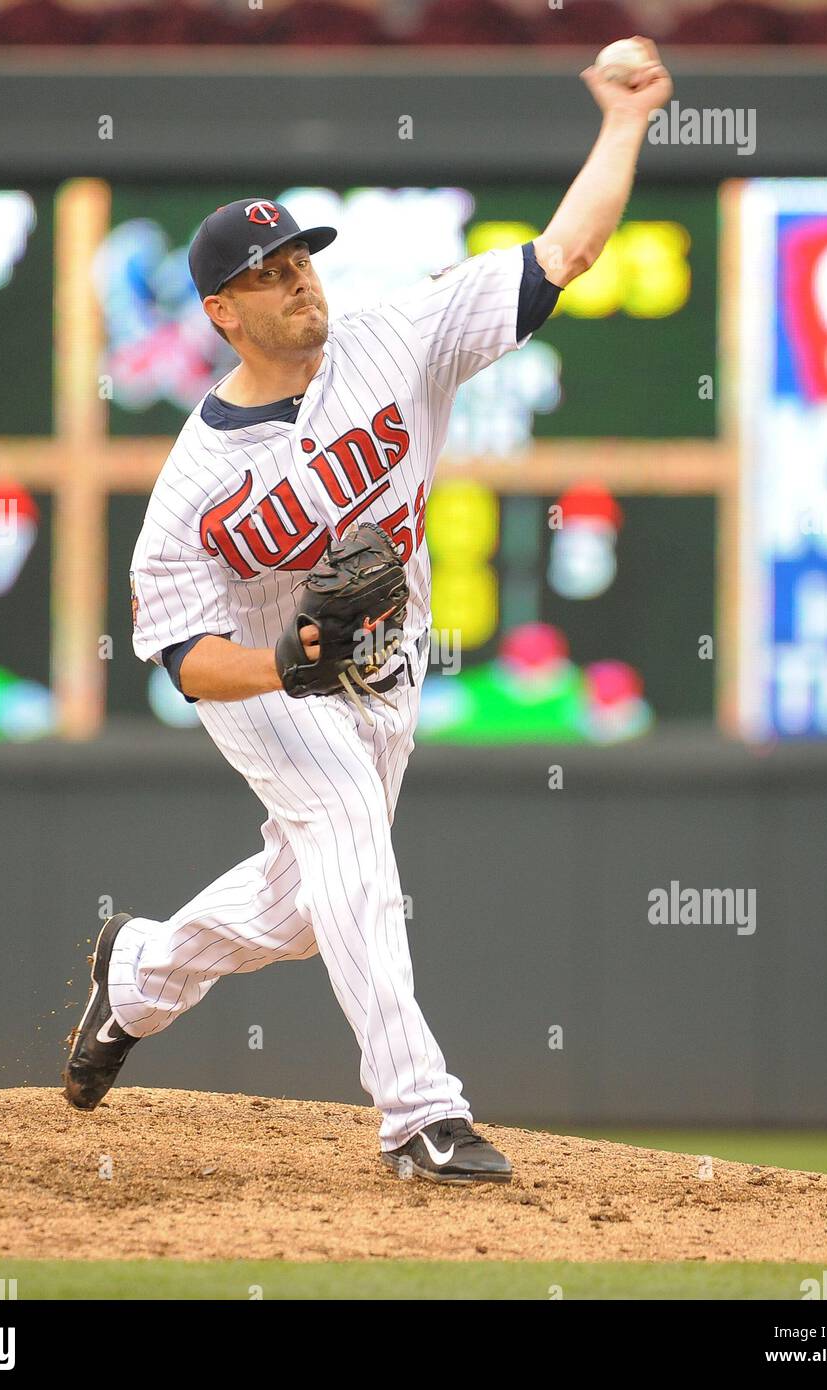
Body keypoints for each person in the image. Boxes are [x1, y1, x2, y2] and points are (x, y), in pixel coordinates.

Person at [63, 41, 673, 1184]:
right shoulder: (193, 486)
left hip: (388, 672)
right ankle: (419, 1115)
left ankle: (137, 973)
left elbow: (564, 255)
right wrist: (286, 665)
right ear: (221, 312)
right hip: (267, 679)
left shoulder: (395, 341)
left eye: (301, 258)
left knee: (306, 904)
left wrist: (628, 119)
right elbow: (189, 661)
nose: (300, 280)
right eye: (271, 272)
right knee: (345, 826)